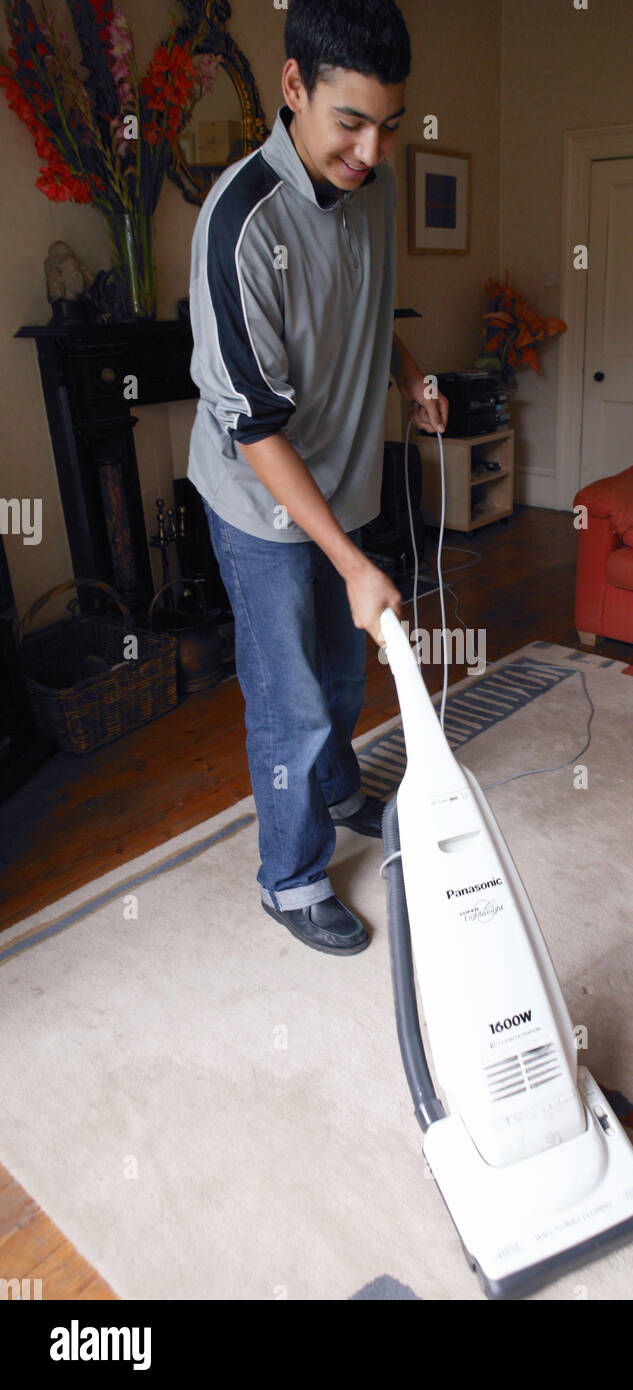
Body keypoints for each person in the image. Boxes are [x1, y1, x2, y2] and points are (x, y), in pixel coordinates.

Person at [186, 0, 448, 958]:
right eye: (350, 122)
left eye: (391, 125)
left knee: (341, 675)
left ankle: (338, 791)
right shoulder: (240, 226)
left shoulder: (370, 186)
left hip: (348, 479)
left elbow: (365, 311)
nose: (372, 150)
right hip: (261, 502)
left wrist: (408, 373)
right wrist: (346, 560)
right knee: (291, 694)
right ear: (293, 87)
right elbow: (253, 427)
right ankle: (291, 881)